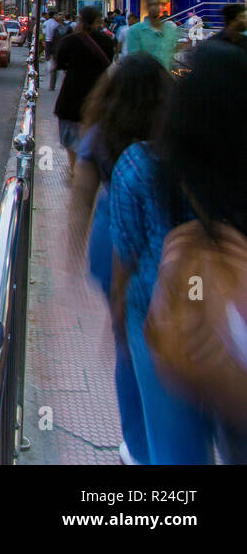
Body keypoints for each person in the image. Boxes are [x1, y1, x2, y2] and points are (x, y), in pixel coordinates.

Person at [109, 41, 247, 463]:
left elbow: (124, 266)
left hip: (164, 321)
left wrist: (120, 332)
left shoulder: (139, 166)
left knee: (175, 454)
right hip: (235, 333)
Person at [67, 54, 171, 465]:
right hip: (165, 242)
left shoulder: (101, 131)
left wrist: (73, 248)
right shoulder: (172, 134)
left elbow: (81, 196)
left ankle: (138, 444)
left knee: (127, 341)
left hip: (112, 238)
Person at [53, 5, 115, 174]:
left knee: (72, 143)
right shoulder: (108, 42)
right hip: (97, 98)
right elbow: (110, 61)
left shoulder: (70, 41)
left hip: (71, 98)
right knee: (95, 142)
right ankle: (89, 173)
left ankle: (76, 172)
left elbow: (59, 64)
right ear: (98, 21)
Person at [125, 0, 181, 70]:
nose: (154, 8)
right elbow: (133, 59)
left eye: (156, 4)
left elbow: (170, 52)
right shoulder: (135, 31)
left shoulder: (169, 30)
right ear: (147, 7)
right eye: (151, 5)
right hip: (145, 78)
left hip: (165, 77)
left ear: (161, 7)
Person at [47, 12, 70, 90]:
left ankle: (65, 87)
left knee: (65, 71)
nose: (59, 16)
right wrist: (50, 52)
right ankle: (51, 86)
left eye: (61, 15)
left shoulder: (68, 28)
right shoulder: (56, 28)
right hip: (56, 51)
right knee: (54, 70)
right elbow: (52, 40)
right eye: (58, 15)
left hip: (65, 51)